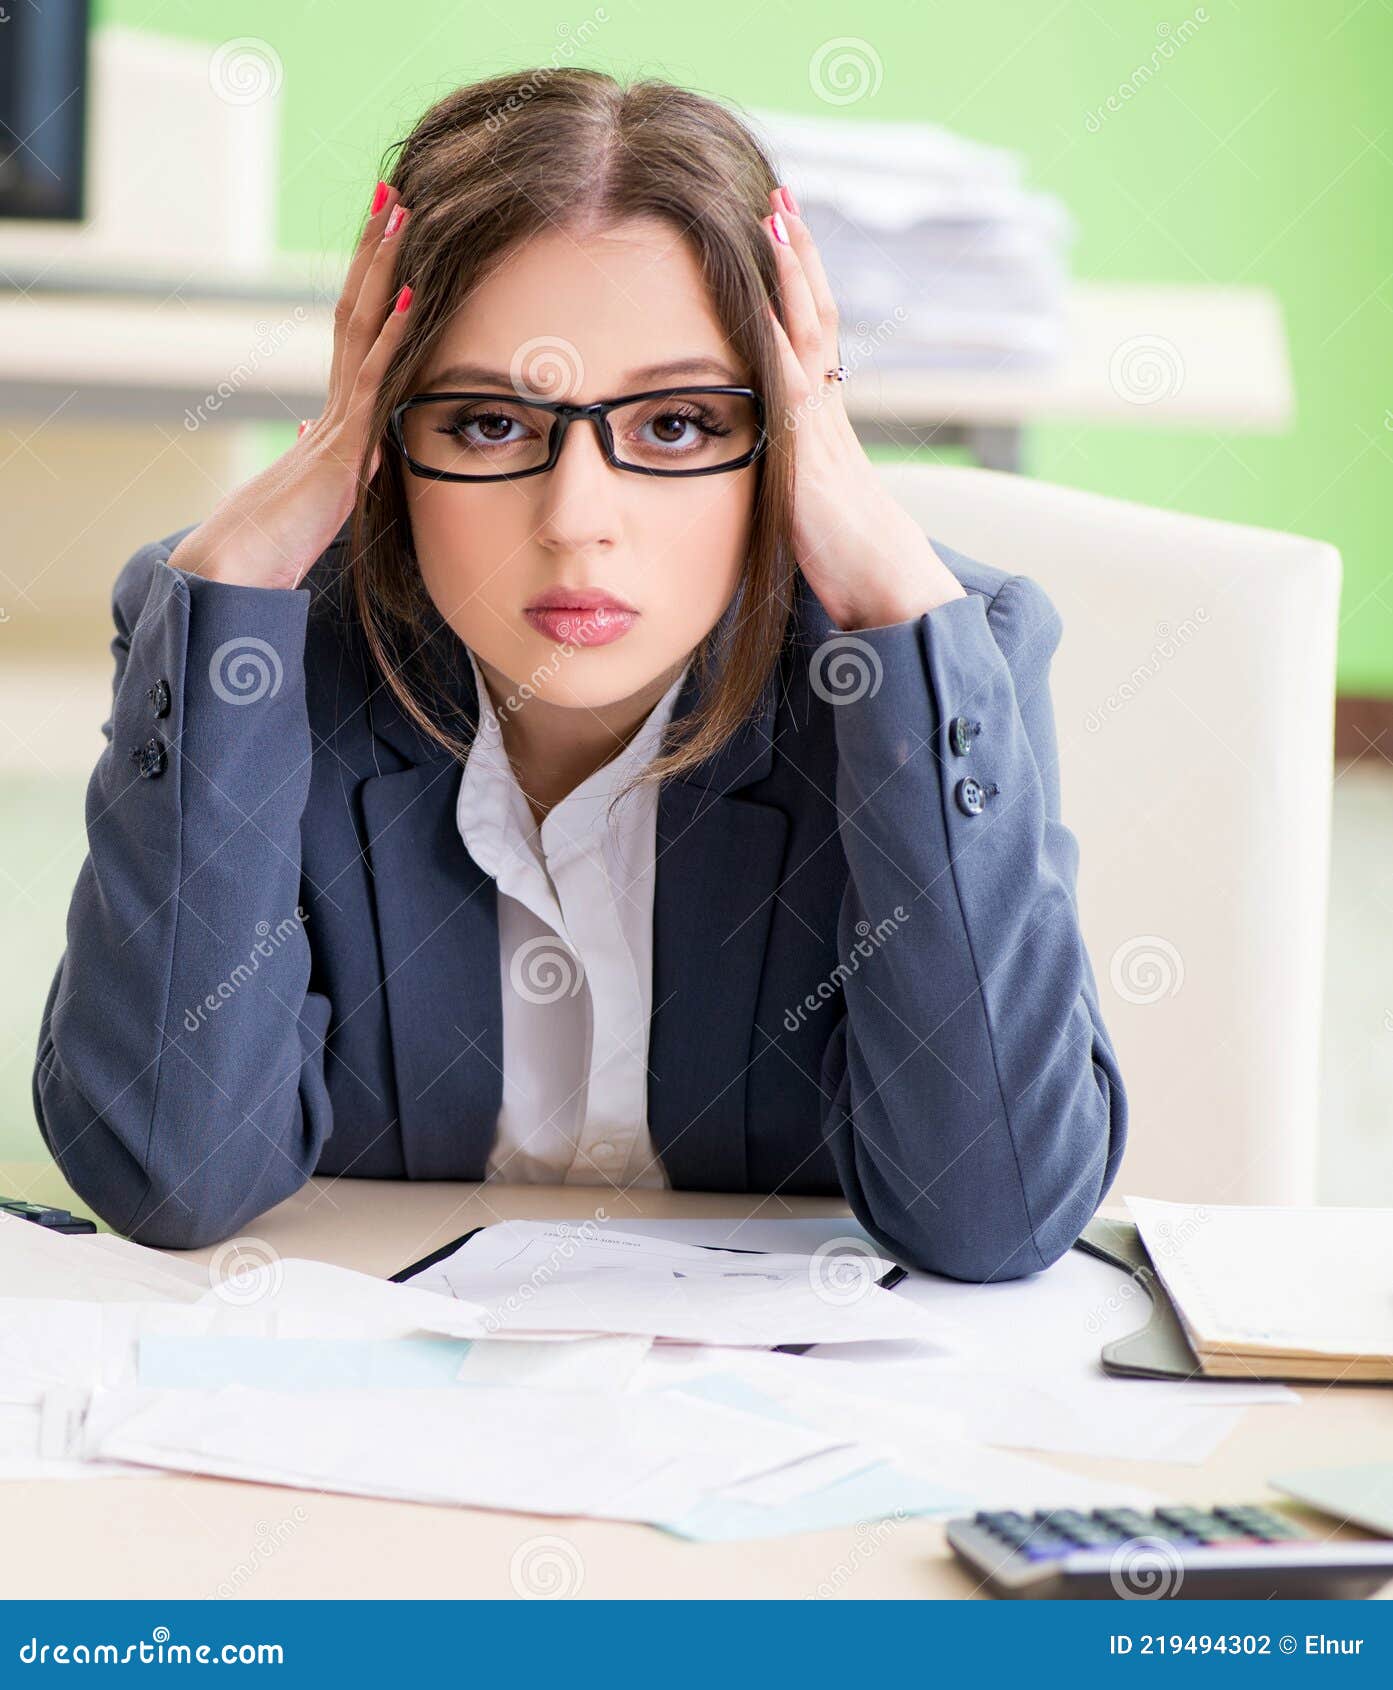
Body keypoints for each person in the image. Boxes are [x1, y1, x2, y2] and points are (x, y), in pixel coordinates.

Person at [32, 68, 1126, 1278]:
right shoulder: (256, 640)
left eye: (677, 425)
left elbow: (993, 1214)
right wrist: (231, 587)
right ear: (382, 429)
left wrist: (893, 615)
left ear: (784, 435)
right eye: (489, 423)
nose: (576, 520)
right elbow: (170, 1176)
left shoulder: (923, 657)